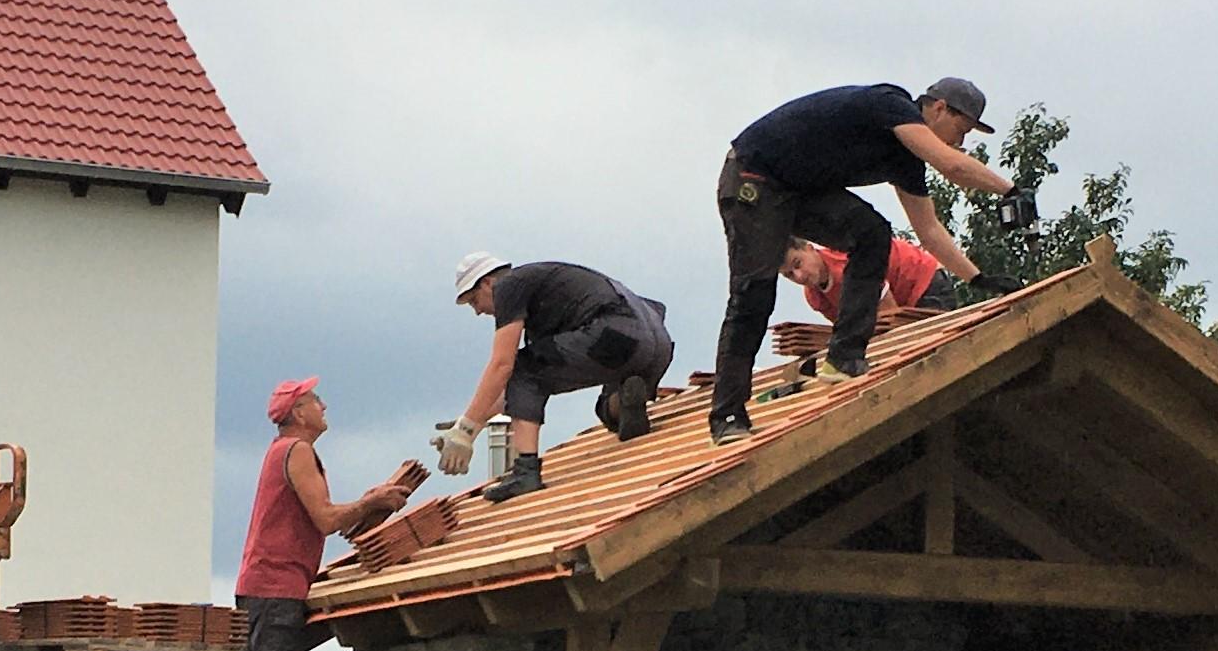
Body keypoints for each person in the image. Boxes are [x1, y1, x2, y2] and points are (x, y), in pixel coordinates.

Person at [709, 77, 1020, 443]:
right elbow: (952, 166)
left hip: (799, 190)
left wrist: (978, 279)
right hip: (753, 175)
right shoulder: (891, 106)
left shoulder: (905, 161)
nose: (960, 141)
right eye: (961, 129)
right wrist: (1012, 190)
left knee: (872, 234)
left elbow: (929, 231)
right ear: (939, 109)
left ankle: (844, 359)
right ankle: (727, 414)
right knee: (754, 294)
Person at [203, 377, 411, 651]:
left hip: (261, 582)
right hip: (278, 584)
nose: (324, 405)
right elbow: (326, 519)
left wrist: (371, 503)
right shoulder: (297, 452)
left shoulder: (281, 453)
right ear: (298, 412)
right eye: (315, 400)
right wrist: (372, 503)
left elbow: (332, 522)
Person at [434, 253, 675, 503]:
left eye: (474, 301)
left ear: (487, 283)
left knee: (520, 368)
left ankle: (526, 471)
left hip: (614, 335)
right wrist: (469, 422)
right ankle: (622, 405)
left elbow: (503, 366)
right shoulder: (548, 292)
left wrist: (466, 429)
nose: (478, 311)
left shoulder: (509, 286)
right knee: (607, 412)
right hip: (653, 345)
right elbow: (518, 394)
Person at [782, 235, 957, 321]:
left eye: (798, 264)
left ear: (809, 248)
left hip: (922, 282)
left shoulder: (848, 262)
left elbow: (891, 317)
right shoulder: (816, 297)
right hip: (900, 302)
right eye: (789, 275)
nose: (799, 276)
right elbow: (848, 327)